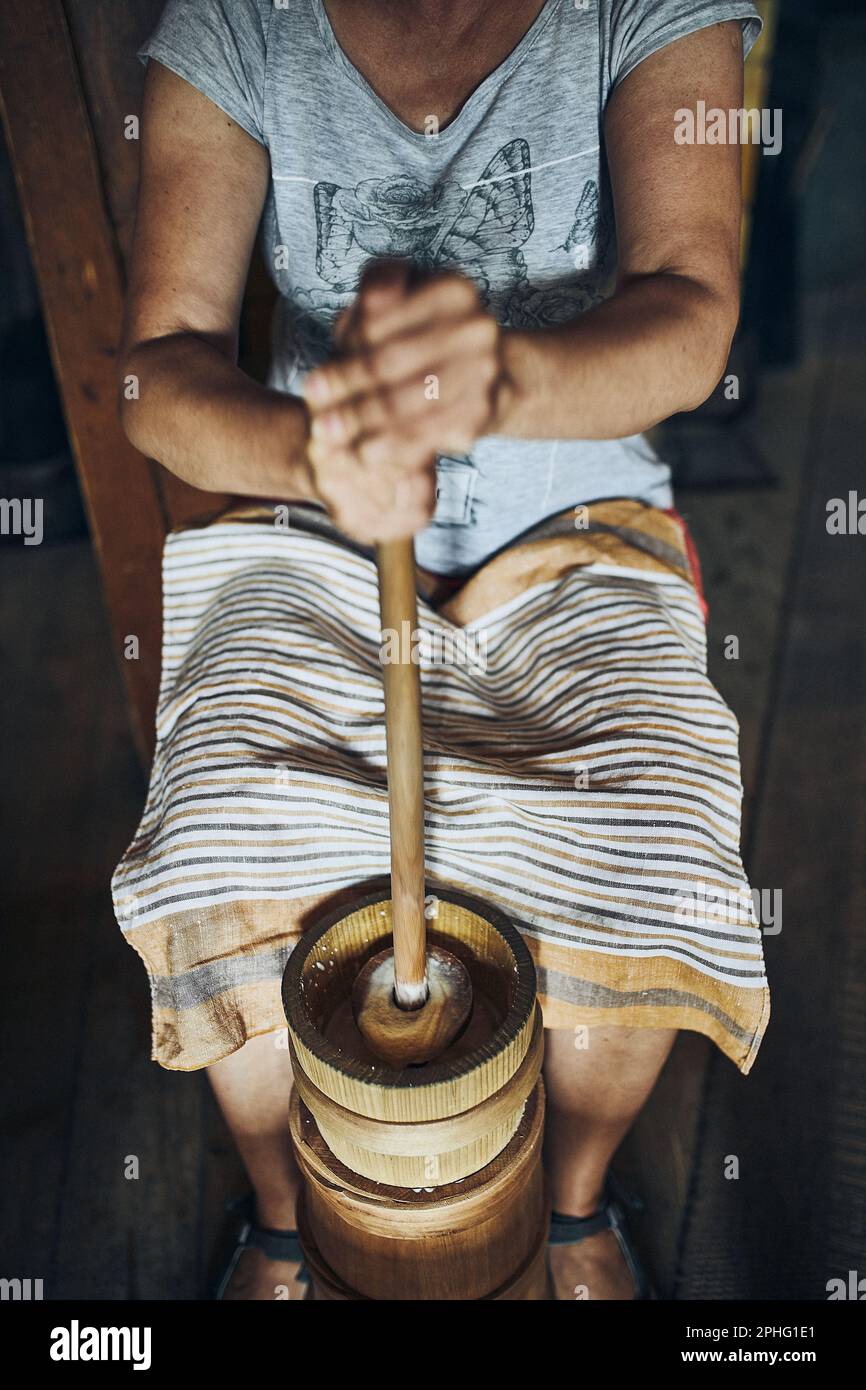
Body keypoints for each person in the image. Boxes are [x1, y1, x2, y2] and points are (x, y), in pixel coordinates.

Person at [114, 0, 770, 1300]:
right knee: (219, 837)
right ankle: (291, 1211)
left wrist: (498, 383)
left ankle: (570, 1202)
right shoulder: (239, 24)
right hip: (316, 530)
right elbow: (153, 377)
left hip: (579, 525)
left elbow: (692, 321)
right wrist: (310, 449)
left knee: (653, 841)